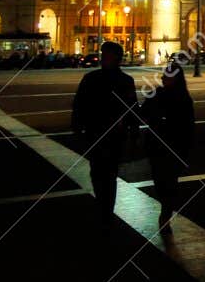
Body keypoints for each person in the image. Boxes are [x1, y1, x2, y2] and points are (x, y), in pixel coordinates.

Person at [71, 41, 140, 223]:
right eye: (103, 55)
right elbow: (79, 105)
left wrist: (133, 131)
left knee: (106, 174)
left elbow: (131, 109)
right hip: (100, 134)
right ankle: (105, 206)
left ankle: (106, 208)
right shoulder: (114, 80)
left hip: (108, 135)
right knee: (100, 173)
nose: (103, 58)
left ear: (116, 58)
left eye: (106, 55)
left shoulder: (97, 79)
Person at [143, 58, 195, 232]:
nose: (164, 79)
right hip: (158, 146)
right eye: (164, 76)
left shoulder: (184, 100)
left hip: (173, 147)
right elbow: (142, 112)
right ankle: (166, 208)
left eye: (168, 76)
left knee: (169, 182)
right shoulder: (158, 93)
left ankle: (165, 214)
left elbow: (188, 127)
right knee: (160, 182)